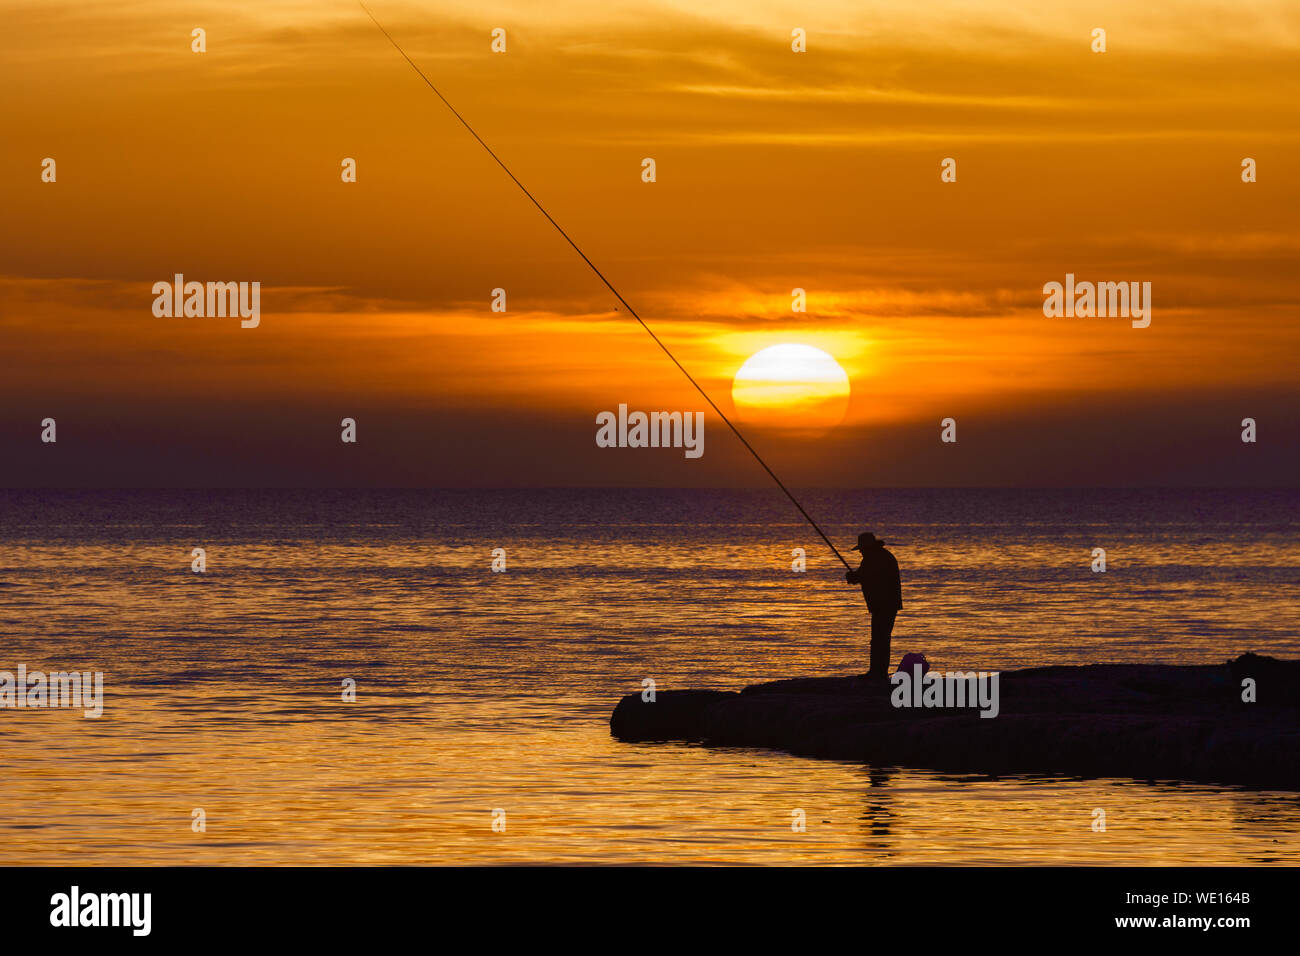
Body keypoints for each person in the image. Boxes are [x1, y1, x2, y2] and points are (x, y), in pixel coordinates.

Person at [845, 532, 902, 679]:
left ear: (868, 547)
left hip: (884, 604)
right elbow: (865, 576)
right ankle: (878, 671)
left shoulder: (874, 558)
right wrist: (856, 577)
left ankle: (878, 672)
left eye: (862, 549)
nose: (861, 552)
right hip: (885, 604)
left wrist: (853, 577)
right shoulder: (879, 556)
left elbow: (864, 576)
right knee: (880, 637)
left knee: (879, 638)